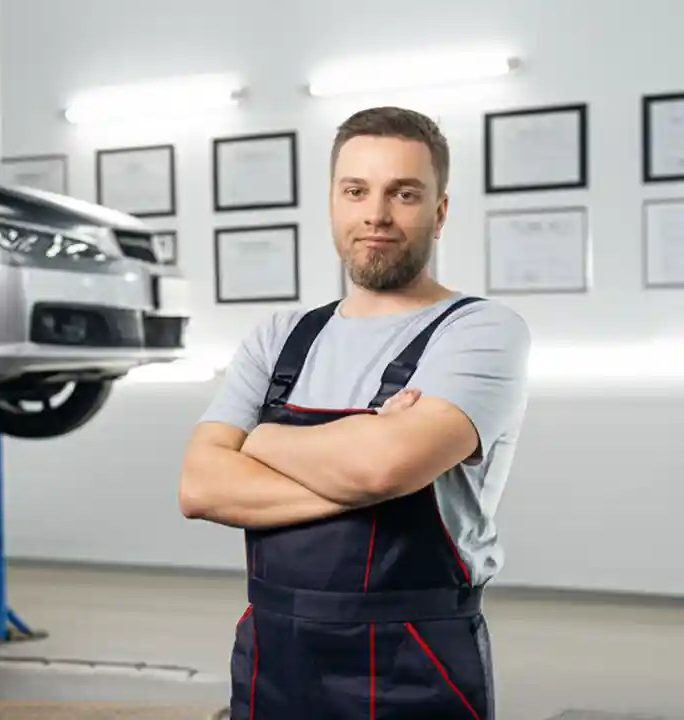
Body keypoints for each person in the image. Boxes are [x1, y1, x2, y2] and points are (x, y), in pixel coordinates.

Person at [178, 106, 531, 720]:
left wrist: (259, 441)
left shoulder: (481, 330)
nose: (377, 213)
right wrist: (364, 459)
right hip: (273, 657)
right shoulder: (281, 336)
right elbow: (200, 486)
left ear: (439, 212)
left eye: (404, 192)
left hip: (414, 665)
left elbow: (385, 468)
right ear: (333, 205)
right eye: (356, 191)